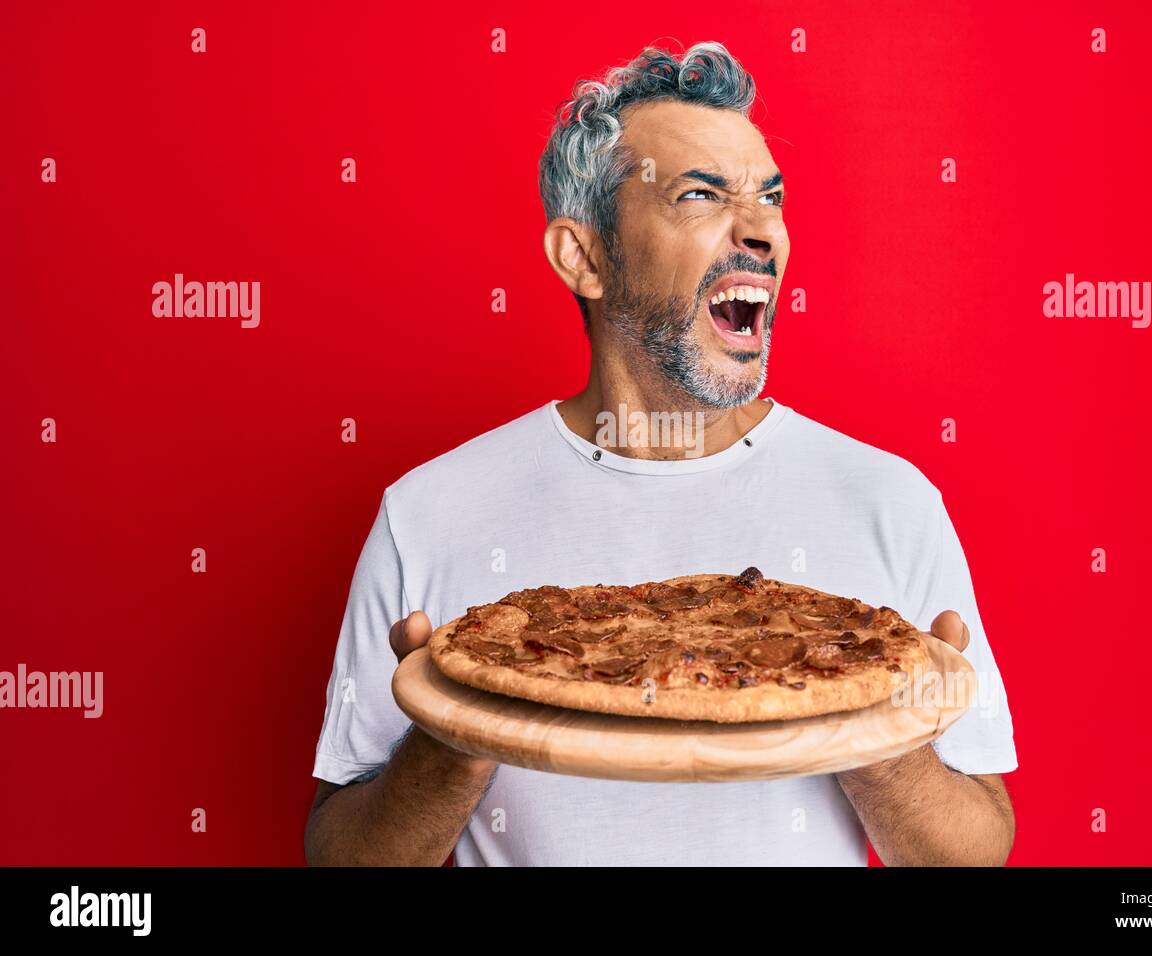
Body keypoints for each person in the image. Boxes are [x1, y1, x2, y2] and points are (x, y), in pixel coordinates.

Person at [304, 41, 1017, 866]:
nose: (760, 231)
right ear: (585, 256)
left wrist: (875, 713)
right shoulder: (429, 513)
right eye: (701, 196)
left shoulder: (890, 501)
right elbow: (341, 858)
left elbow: (974, 852)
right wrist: (459, 722)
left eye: (770, 199)